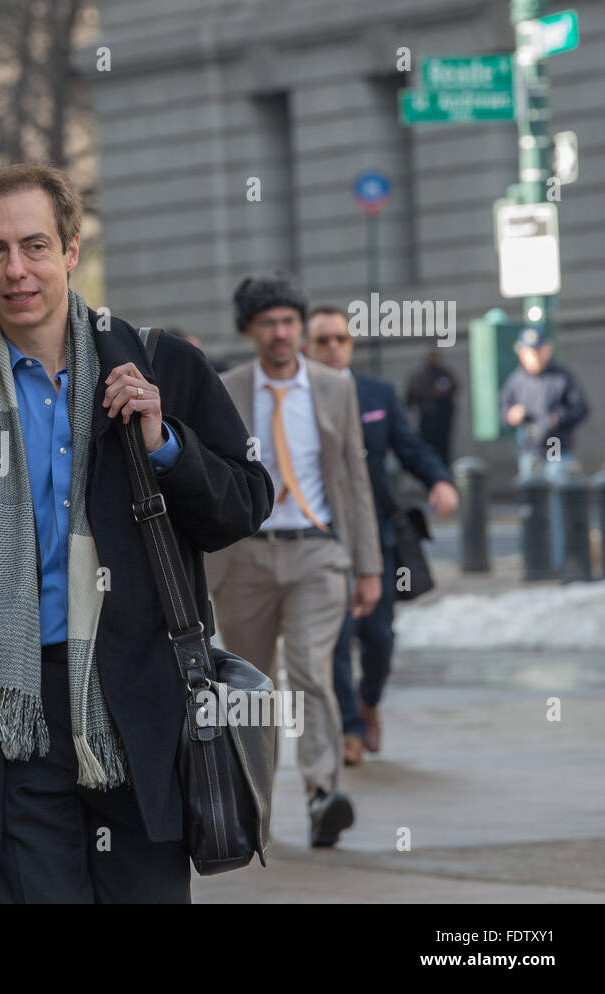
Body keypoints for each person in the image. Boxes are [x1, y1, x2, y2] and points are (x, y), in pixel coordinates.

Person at [0, 163, 272, 904]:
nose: (16, 270)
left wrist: (165, 443)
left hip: (142, 710)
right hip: (14, 721)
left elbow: (243, 506)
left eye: (35, 246)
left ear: (71, 250)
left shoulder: (163, 365)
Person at [206, 271, 380, 848]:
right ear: (250, 330)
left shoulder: (335, 387)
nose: (280, 333)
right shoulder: (227, 389)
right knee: (251, 688)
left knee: (309, 668)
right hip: (246, 557)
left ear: (300, 327)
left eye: (288, 322)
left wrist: (368, 565)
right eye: (268, 324)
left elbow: (353, 477)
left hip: (317, 551)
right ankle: (253, 807)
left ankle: (323, 794)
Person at [306, 306, 459, 765]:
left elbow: (411, 448)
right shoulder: (297, 400)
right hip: (322, 538)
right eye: (323, 341)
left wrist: (440, 480)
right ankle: (349, 729)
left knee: (379, 636)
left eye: (341, 339)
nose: (333, 348)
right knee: (335, 638)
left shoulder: (377, 393)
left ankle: (368, 700)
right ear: (306, 348)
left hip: (378, 535)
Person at [499, 325, 589, 569]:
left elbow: (580, 408)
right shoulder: (516, 380)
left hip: (556, 447)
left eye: (538, 351)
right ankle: (532, 557)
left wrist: (557, 418)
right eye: (529, 352)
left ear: (547, 350)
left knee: (556, 503)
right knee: (530, 506)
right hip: (529, 450)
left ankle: (559, 558)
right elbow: (502, 411)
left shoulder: (562, 377)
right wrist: (511, 415)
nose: (534, 357)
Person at [405, 351, 460, 466]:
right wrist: (433, 394)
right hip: (427, 420)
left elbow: (455, 386)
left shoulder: (444, 374)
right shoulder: (420, 376)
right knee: (428, 451)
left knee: (443, 451)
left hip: (443, 420)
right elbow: (411, 396)